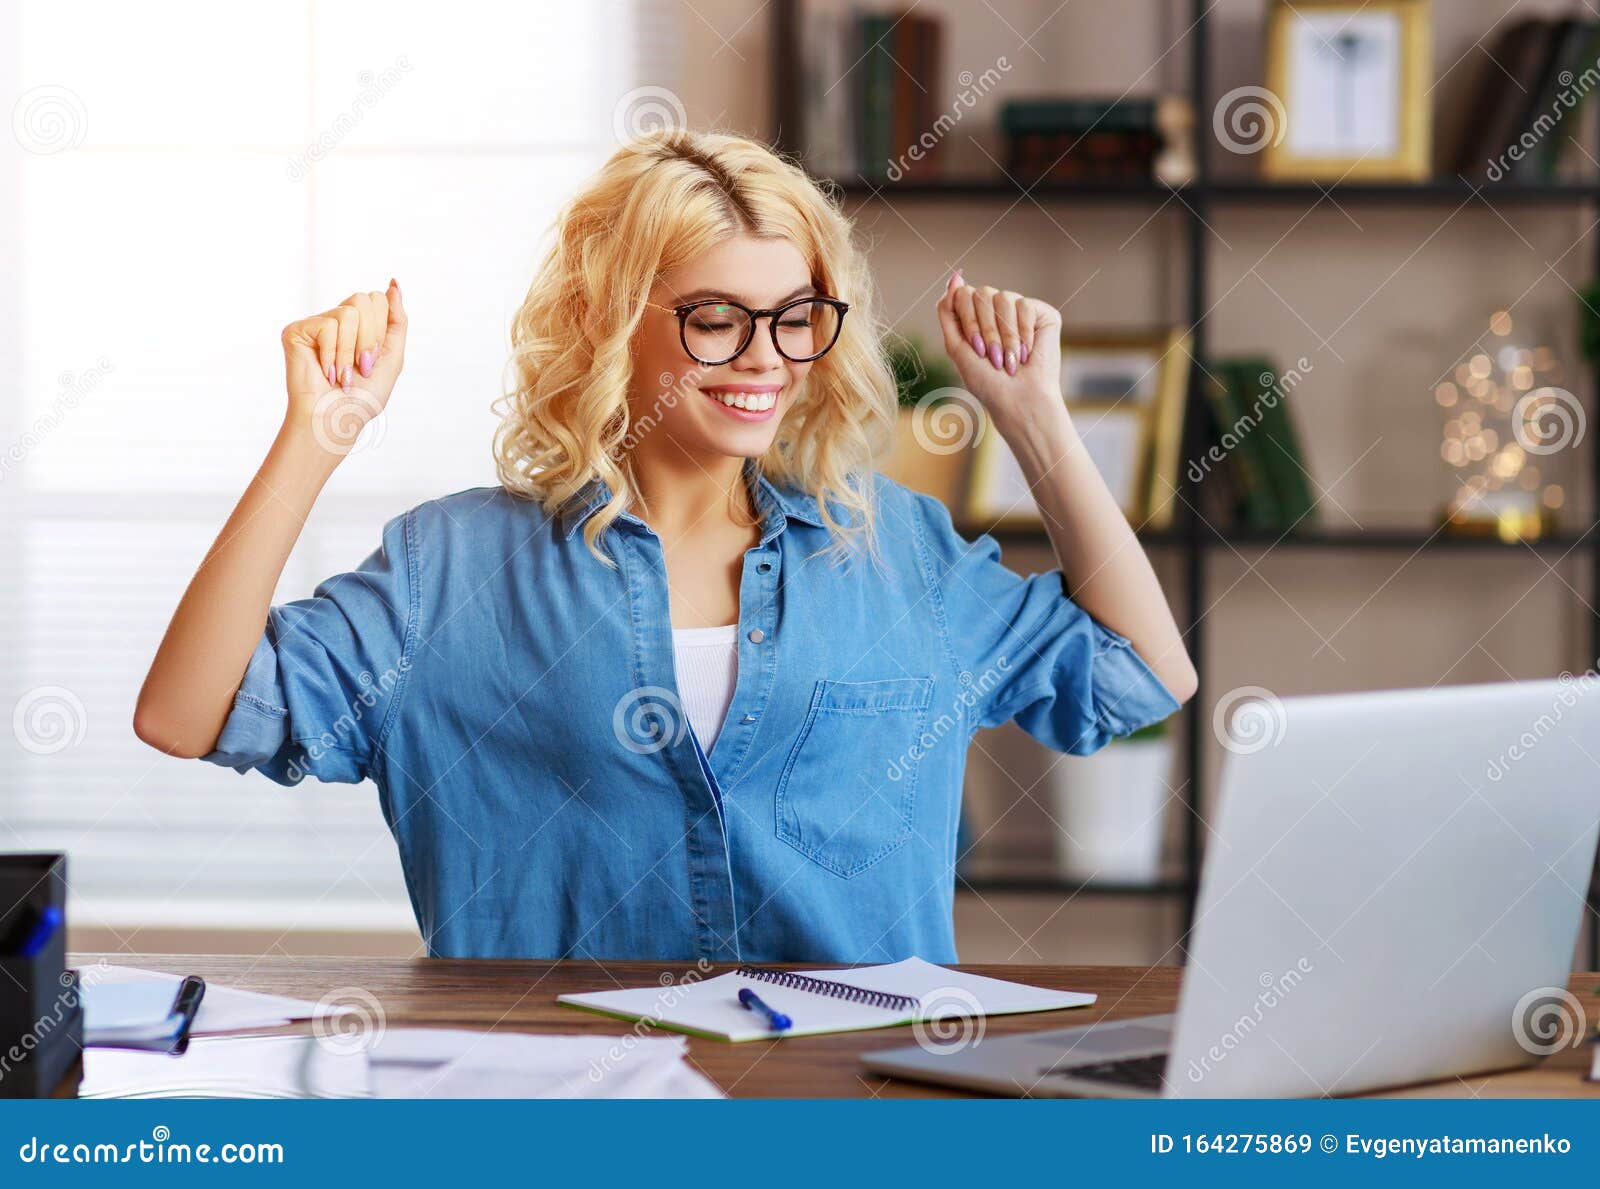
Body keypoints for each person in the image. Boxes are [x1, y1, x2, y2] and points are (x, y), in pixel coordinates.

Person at [133, 128, 1195, 962]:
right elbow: (186, 714)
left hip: (850, 1114)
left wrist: (1037, 421)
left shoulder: (891, 549)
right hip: (560, 1117)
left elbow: (1141, 676)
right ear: (608, 318)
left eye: (794, 316)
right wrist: (314, 439)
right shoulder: (451, 570)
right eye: (716, 317)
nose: (765, 359)